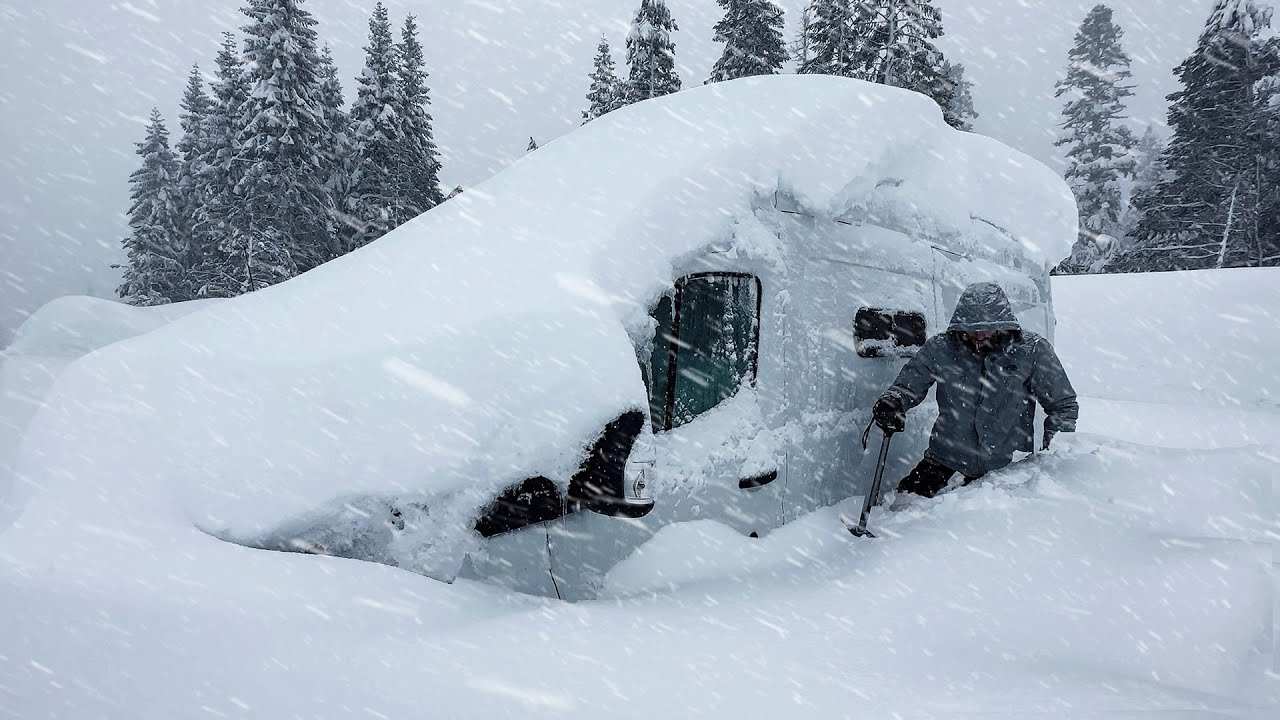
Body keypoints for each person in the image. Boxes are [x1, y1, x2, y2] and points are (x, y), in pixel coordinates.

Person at [872, 282, 1078, 499]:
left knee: (986, 528)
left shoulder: (1031, 350)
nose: (978, 335)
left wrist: (1051, 455)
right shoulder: (941, 348)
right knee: (902, 509)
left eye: (985, 327)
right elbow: (910, 382)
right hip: (947, 458)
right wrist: (894, 400)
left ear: (1002, 323)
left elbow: (1063, 405)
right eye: (972, 328)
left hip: (1007, 467)